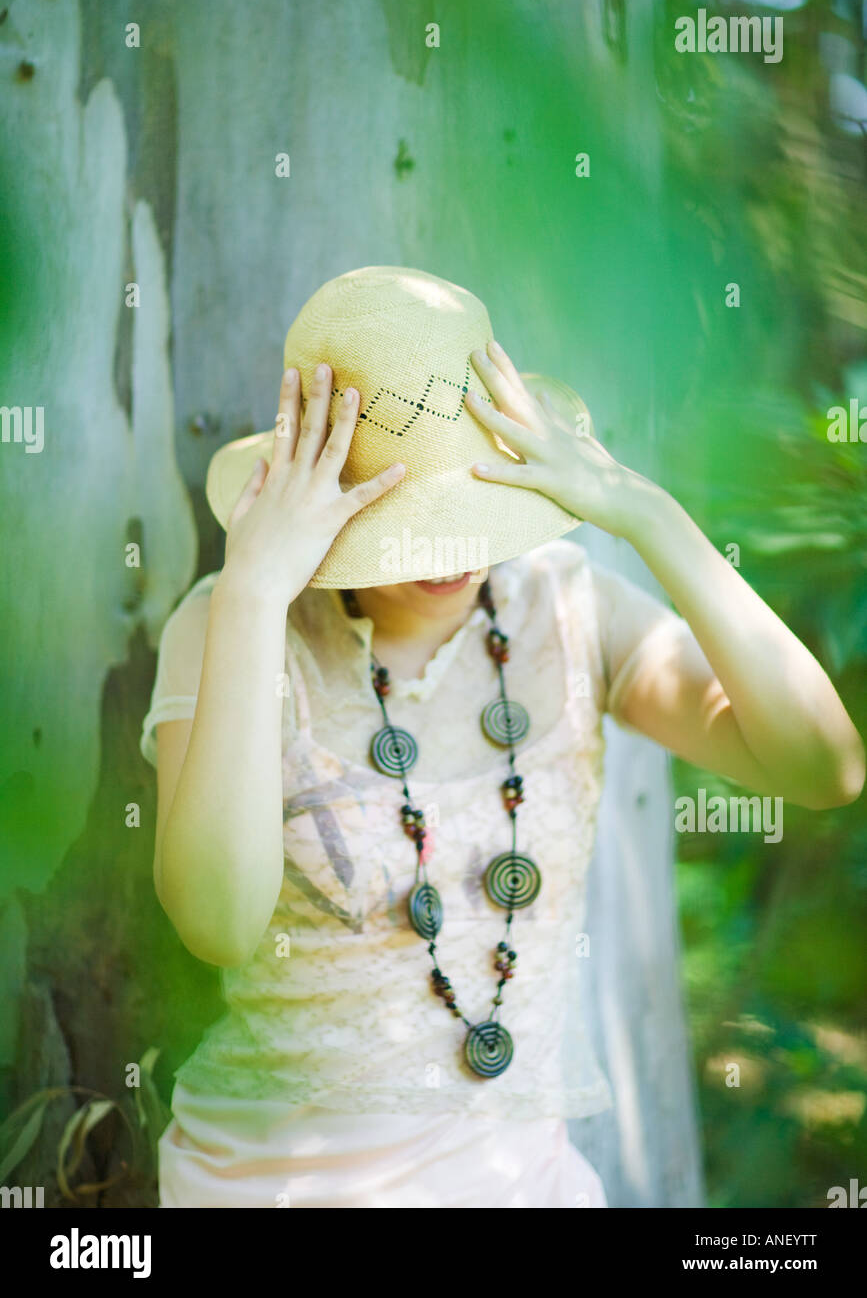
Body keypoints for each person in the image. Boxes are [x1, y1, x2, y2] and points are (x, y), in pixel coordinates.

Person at [140, 267, 864, 1208]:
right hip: (273, 1186)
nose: (451, 554)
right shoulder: (230, 623)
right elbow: (217, 924)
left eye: (465, 505)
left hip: (519, 1186)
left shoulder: (569, 608)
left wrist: (643, 512)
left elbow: (823, 767)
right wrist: (250, 591)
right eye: (409, 516)